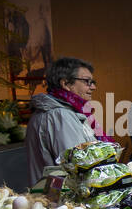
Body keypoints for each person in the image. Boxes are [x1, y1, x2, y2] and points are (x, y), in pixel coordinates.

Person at [25, 56, 109, 184]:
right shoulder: (60, 115)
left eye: (93, 82)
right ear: (65, 84)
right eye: (87, 81)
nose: (93, 87)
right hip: (62, 200)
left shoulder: (62, 111)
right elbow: (78, 166)